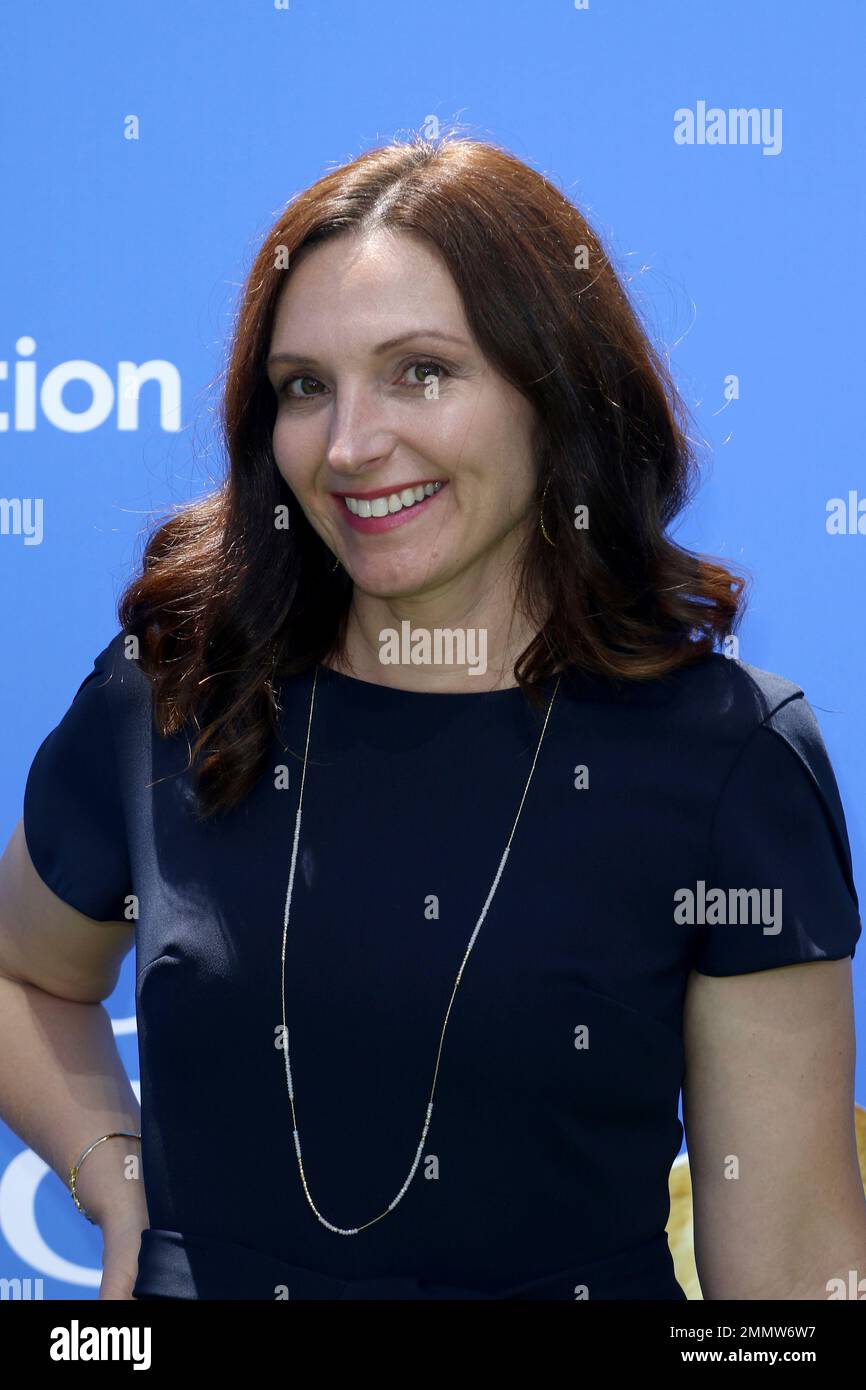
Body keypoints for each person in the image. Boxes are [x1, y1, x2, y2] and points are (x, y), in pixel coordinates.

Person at [1, 134, 864, 1302]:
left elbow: (793, 1286)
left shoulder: (724, 761)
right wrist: (115, 1179)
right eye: (305, 386)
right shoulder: (176, 689)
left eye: (420, 371)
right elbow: (23, 973)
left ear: (551, 392)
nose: (350, 445)